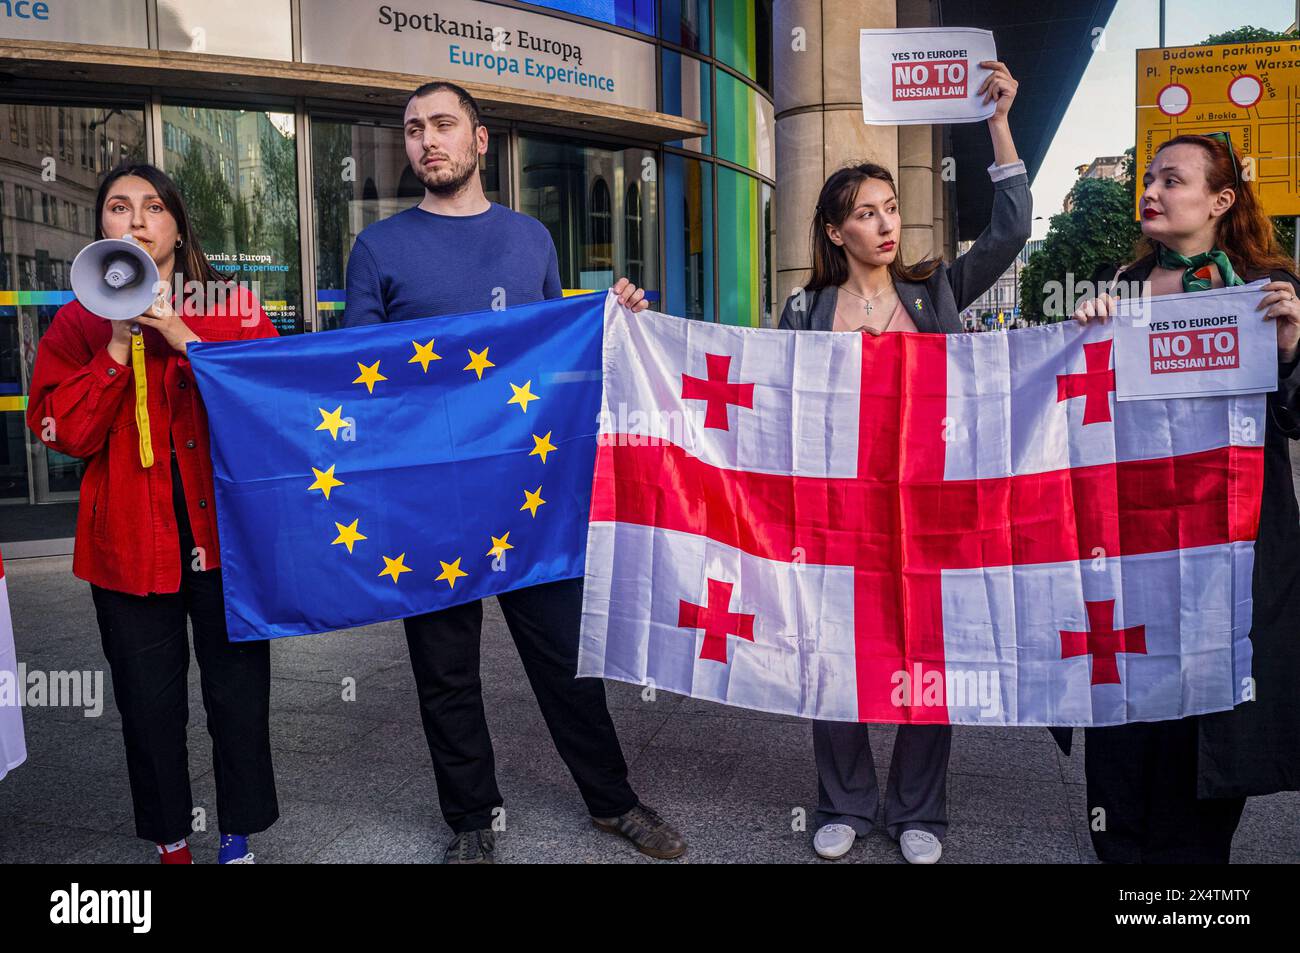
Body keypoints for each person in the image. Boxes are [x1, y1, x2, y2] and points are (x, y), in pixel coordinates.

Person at [342, 80, 686, 864]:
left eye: (442, 125)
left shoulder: (532, 239)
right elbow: (357, 371)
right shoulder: (379, 248)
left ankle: (613, 801)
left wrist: (613, 319)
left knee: (567, 657)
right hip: (429, 498)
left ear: (479, 140)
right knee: (445, 669)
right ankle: (471, 820)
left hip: (527, 494)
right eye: (413, 130)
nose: (427, 140)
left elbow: (555, 354)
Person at [778, 61, 1031, 863]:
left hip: (929, 505)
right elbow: (772, 406)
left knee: (929, 651)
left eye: (891, 209)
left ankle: (921, 809)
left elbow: (1013, 230)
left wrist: (997, 125)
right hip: (839, 510)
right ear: (834, 231)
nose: (886, 225)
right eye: (865, 213)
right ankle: (843, 803)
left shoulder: (938, 289)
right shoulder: (805, 312)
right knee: (836, 655)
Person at [26, 163, 280, 864]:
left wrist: (184, 339)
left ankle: (237, 831)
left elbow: (266, 406)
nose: (135, 221)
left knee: (237, 695)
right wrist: (113, 346)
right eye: (117, 207)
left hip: (222, 543)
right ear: (101, 226)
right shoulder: (77, 319)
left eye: (151, 208)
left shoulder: (228, 305)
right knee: (147, 702)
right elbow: (61, 432)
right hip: (127, 547)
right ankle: (171, 838)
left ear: (175, 224)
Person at [1065, 132, 1300, 863]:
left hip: (1227, 561)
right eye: (1149, 178)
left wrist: (1291, 349)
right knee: (1123, 757)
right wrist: (1084, 341)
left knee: (1202, 762)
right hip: (1132, 558)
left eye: (1173, 179)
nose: (1152, 191)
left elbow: (1294, 417)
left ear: (1220, 201)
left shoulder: (1265, 290)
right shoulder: (1119, 288)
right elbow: (1075, 417)